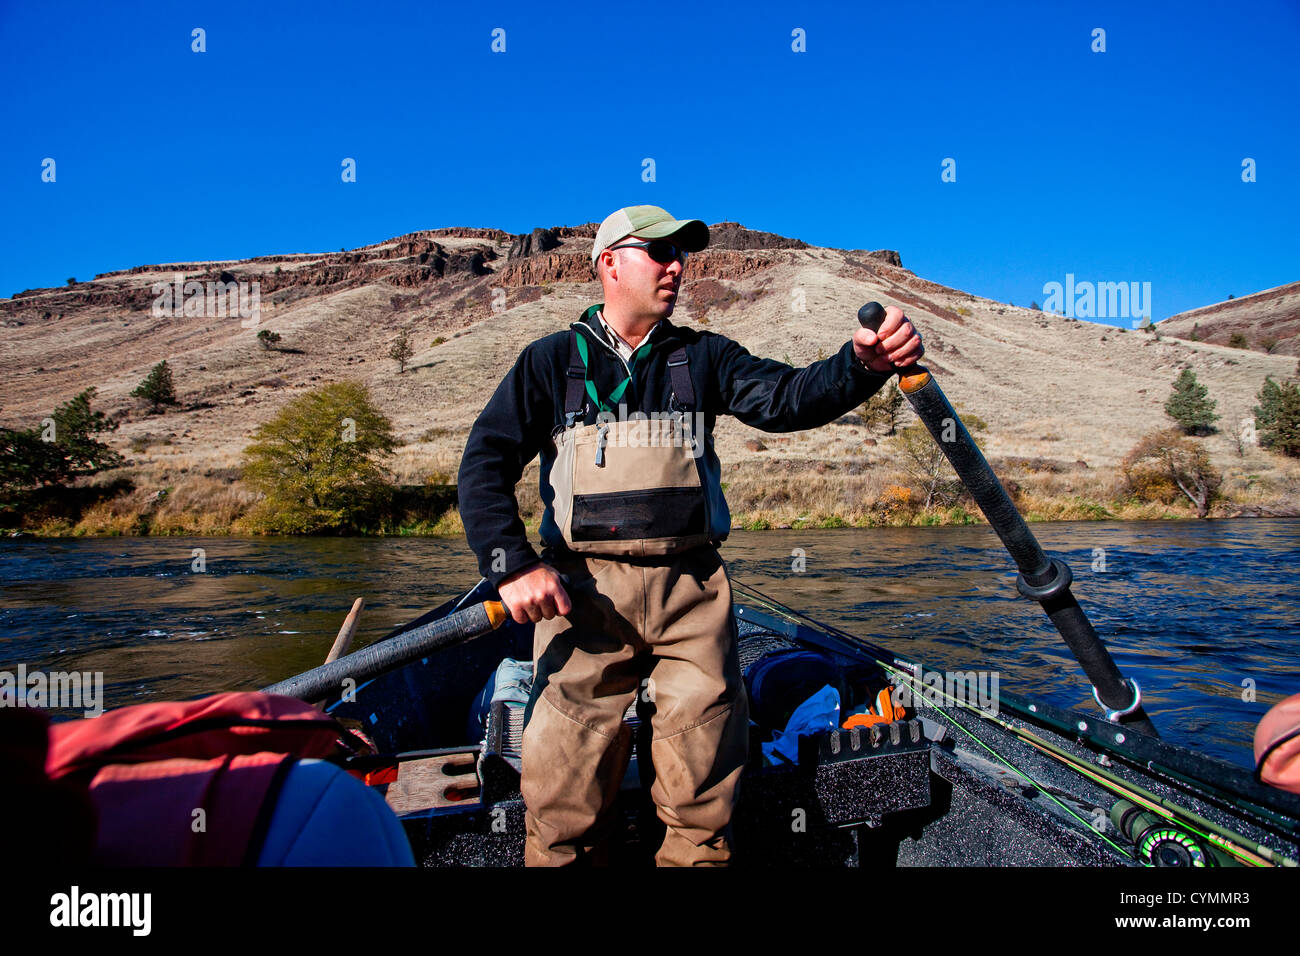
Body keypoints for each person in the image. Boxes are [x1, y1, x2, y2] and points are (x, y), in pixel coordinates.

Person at [457, 204, 922, 866]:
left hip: (692, 599)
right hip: (580, 601)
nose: (677, 266)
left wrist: (862, 364)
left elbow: (788, 399)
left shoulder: (705, 357)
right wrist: (511, 566)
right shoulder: (549, 363)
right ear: (609, 262)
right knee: (562, 802)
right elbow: (484, 465)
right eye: (659, 252)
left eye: (682, 254)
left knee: (703, 808)